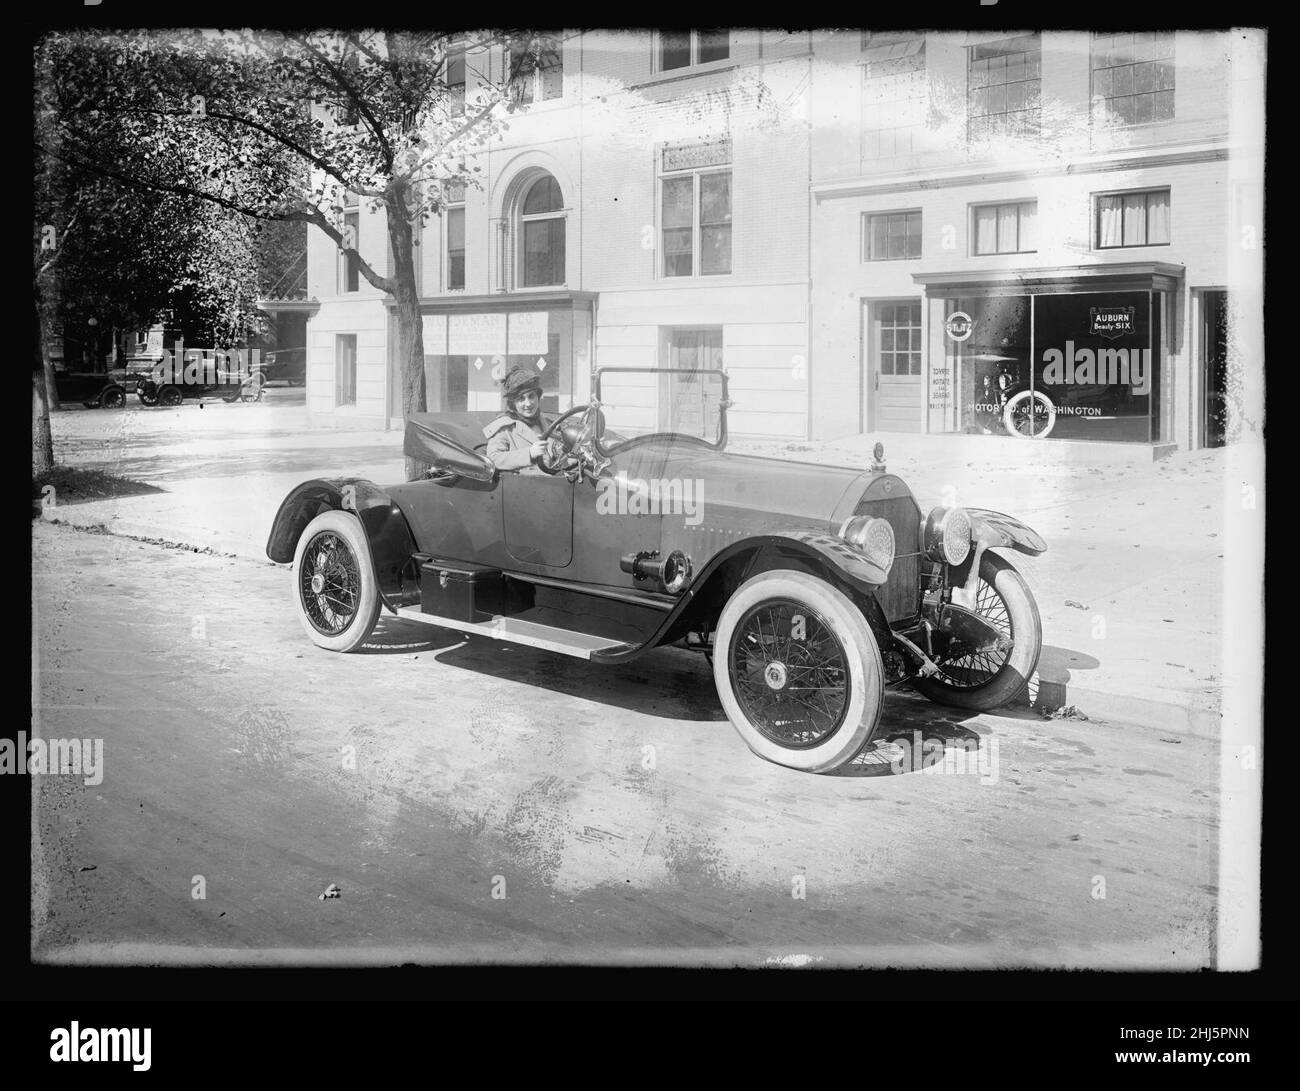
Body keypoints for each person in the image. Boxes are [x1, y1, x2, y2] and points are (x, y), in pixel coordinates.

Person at [484, 364, 554, 474]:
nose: (528, 403)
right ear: (513, 403)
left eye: (531, 396)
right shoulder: (505, 428)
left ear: (538, 397)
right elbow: (492, 459)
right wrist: (529, 454)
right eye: (521, 399)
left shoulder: (549, 424)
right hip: (522, 487)